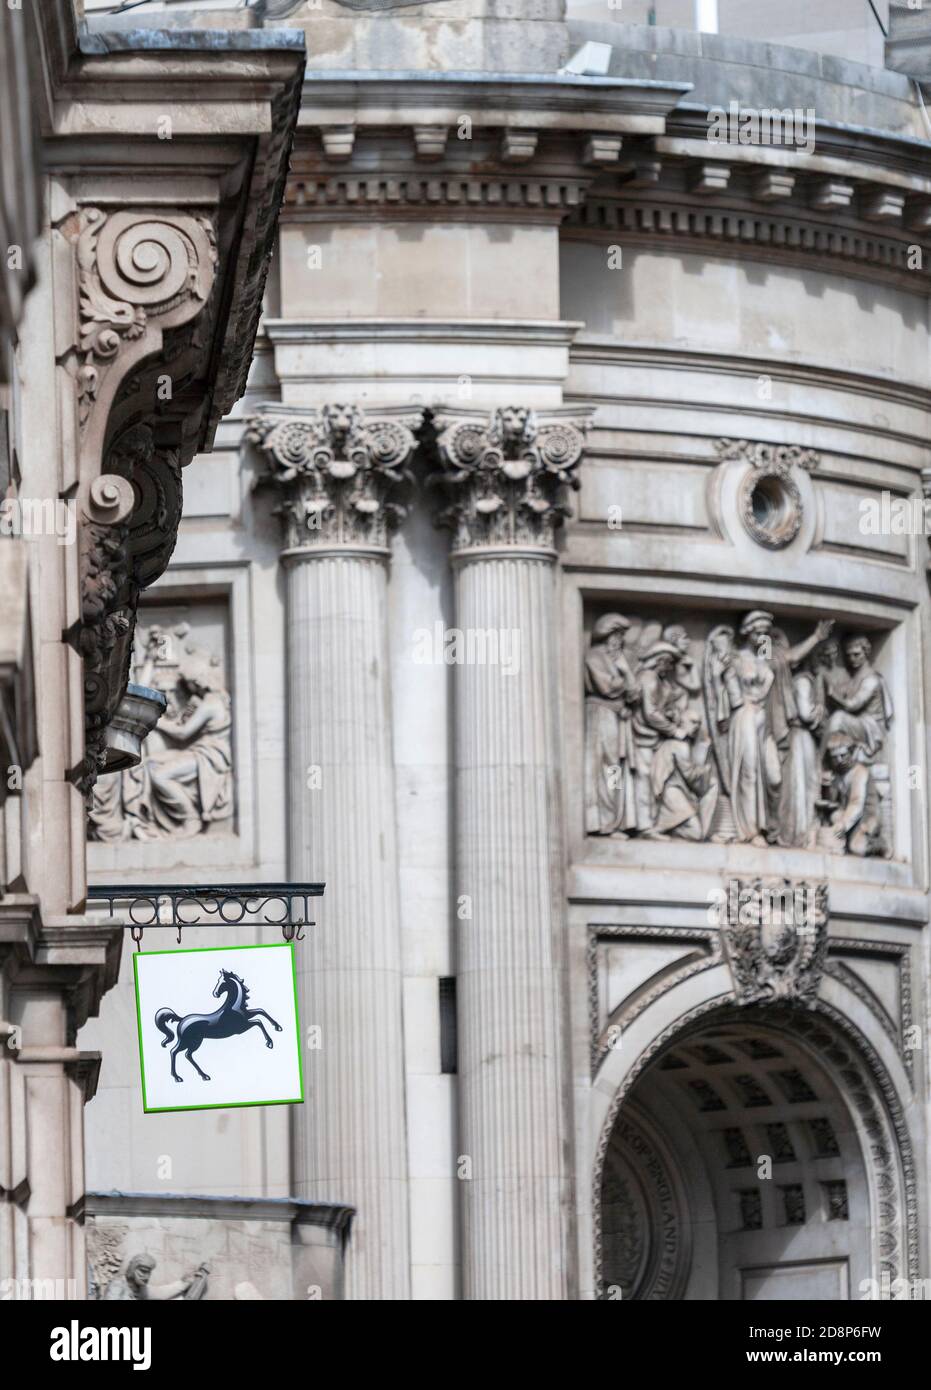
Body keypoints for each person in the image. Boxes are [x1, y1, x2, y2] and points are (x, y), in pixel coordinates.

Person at [584, 614, 637, 835]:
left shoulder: (620, 661)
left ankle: (614, 818)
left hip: (617, 718)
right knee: (603, 765)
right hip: (601, 714)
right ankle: (602, 821)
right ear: (606, 635)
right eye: (616, 636)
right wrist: (624, 676)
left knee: (614, 765)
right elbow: (606, 687)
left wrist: (625, 673)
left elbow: (635, 692)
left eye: (621, 637)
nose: (619, 641)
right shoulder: (594, 656)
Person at [642, 709, 719, 841]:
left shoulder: (679, 744)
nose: (697, 727)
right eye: (693, 722)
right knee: (696, 833)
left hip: (677, 790)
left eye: (699, 724)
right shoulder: (679, 745)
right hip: (671, 792)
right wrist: (706, 768)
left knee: (712, 785)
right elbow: (690, 775)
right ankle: (656, 830)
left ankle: (673, 828)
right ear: (683, 722)